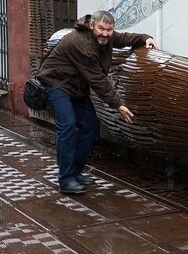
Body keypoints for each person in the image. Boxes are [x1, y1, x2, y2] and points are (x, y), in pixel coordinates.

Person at [36, 11, 157, 194]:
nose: (105, 33)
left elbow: (124, 38)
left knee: (91, 126)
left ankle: (75, 172)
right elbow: (98, 80)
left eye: (109, 29)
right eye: (101, 28)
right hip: (56, 84)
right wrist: (118, 104)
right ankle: (66, 179)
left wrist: (145, 38)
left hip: (76, 87)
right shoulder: (81, 44)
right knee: (68, 126)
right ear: (92, 26)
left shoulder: (107, 37)